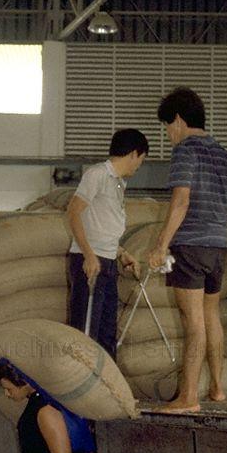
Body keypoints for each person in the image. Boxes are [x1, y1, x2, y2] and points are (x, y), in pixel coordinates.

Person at [148, 87, 227, 413]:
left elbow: (181, 200)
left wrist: (161, 245)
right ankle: (216, 388)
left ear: (179, 120)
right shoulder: (226, 156)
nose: (169, 134)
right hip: (217, 246)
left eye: (168, 127)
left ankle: (188, 398)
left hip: (191, 245)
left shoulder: (186, 151)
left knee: (193, 322)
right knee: (211, 316)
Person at [67, 128, 149, 358]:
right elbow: (73, 213)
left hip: (108, 261)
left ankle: (106, 390)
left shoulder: (118, 184)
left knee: (106, 335)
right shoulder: (98, 175)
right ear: (133, 154)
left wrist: (121, 253)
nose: (138, 166)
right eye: (141, 160)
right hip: (90, 263)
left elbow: (101, 224)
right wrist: (89, 255)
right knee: (86, 334)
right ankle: (82, 388)